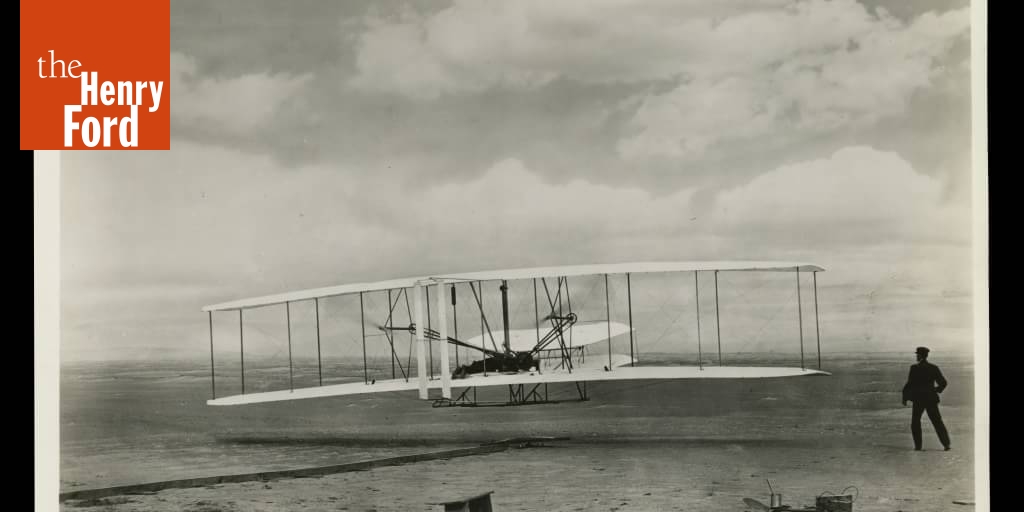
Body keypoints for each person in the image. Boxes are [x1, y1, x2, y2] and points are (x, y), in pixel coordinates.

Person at [901, 346, 951, 451]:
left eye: (917, 355)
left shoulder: (914, 368)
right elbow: (943, 383)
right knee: (937, 422)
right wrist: (936, 390)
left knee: (915, 422)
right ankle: (946, 445)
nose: (916, 356)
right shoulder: (933, 368)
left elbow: (910, 384)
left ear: (920, 355)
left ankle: (918, 446)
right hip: (931, 399)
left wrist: (905, 397)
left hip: (918, 399)